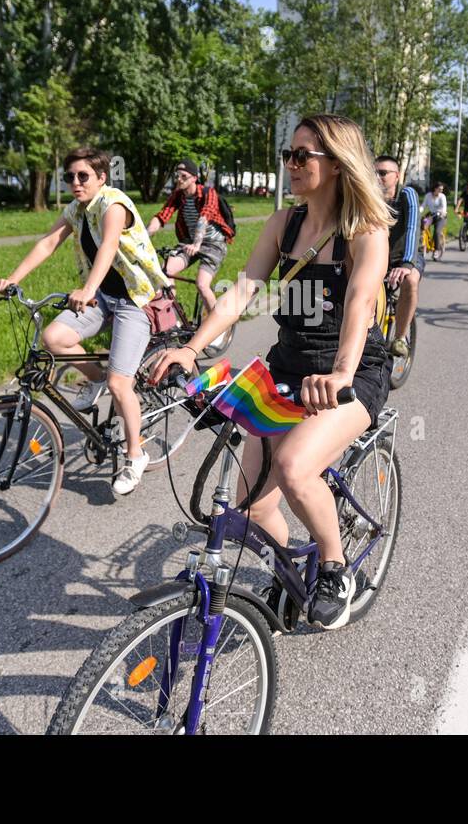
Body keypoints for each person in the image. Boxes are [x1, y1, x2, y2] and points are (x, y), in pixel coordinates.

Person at [150, 114, 393, 629]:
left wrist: (342, 375)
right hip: (287, 368)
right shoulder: (283, 226)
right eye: (289, 154)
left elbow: (359, 304)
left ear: (336, 161)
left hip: (349, 375)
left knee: (295, 468)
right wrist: (192, 349)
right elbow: (241, 291)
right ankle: (293, 580)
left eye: (303, 155)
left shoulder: (365, 233)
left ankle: (333, 568)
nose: (292, 164)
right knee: (254, 506)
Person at [0, 146, 171, 496]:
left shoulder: (113, 204)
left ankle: (135, 454)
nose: (75, 183)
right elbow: (48, 243)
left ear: (101, 177)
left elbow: (108, 247)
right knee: (54, 337)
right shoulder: (75, 210)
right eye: (70, 177)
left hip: (136, 300)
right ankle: (95, 382)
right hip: (104, 297)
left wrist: (87, 288)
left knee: (122, 385)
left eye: (83, 176)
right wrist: (13, 278)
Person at [146, 159, 233, 317]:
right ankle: (174, 319)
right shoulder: (179, 195)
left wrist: (197, 243)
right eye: (177, 175)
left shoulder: (208, 193)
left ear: (194, 178)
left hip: (213, 244)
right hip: (190, 243)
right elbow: (162, 216)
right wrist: (144, 237)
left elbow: (204, 217)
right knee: (165, 272)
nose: (179, 179)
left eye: (184, 176)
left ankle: (218, 324)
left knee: (202, 284)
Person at [377, 155, 420, 357]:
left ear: (396, 176)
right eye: (374, 173)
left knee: (410, 281)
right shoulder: (369, 196)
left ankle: (401, 338)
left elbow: (412, 228)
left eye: (383, 173)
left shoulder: (407, 194)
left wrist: (407, 263)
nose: (378, 177)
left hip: (407, 256)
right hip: (379, 258)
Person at [422, 182, 448, 261]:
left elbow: (444, 208)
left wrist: (441, 212)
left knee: (437, 232)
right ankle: (424, 244)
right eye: (440, 189)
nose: (441, 191)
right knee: (423, 226)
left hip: (441, 216)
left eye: (442, 189)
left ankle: (436, 250)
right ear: (435, 188)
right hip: (431, 215)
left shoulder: (442, 196)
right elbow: (423, 205)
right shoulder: (428, 196)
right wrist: (418, 211)